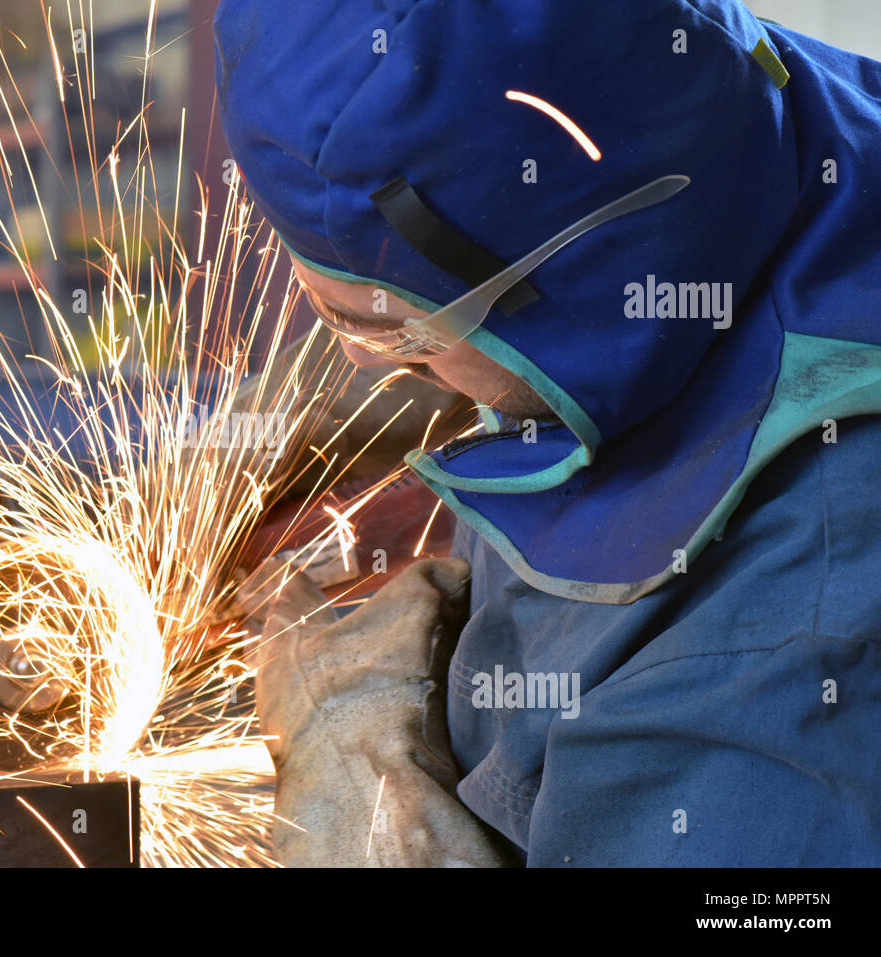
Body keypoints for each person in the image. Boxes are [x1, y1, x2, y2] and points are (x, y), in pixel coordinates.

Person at [215, 0, 881, 866]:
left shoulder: (770, 680)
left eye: (394, 334)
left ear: (564, 284)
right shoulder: (719, 99)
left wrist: (371, 828)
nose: (378, 365)